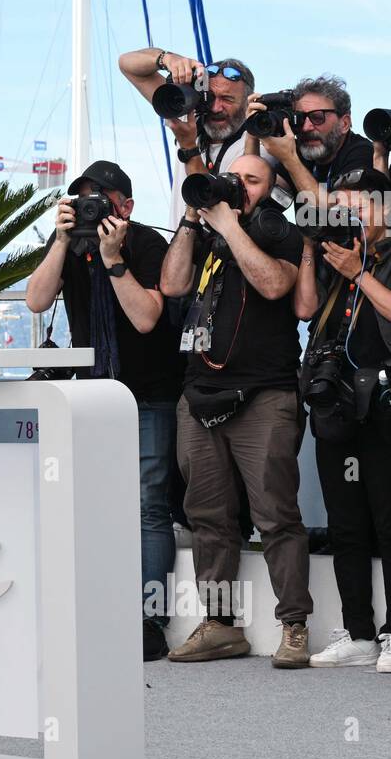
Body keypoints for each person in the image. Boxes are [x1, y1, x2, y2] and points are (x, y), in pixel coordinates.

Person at [159, 152, 313, 667]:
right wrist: (192, 217)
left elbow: (274, 284)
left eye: (251, 180)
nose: (238, 186)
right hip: (199, 394)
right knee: (208, 517)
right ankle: (221, 626)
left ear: (270, 190)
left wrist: (231, 223)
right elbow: (174, 285)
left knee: (277, 516)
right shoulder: (205, 235)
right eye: (234, 178)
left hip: (264, 394)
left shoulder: (278, 231)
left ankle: (293, 625)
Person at [25, 160, 183, 661]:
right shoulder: (72, 246)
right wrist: (59, 240)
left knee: (147, 506)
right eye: (83, 199)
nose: (93, 207)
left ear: (127, 206)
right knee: (91, 503)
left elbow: (146, 318)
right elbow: (35, 300)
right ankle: (98, 609)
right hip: (90, 396)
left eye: (102, 198)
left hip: (147, 392)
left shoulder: (148, 244)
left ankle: (149, 621)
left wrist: (115, 261)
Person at [293, 166, 391, 672]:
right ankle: (359, 633)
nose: (348, 216)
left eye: (359, 206)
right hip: (337, 408)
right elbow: (305, 310)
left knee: (387, 521)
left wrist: (360, 273)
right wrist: (313, 247)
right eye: (340, 207)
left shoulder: (378, 259)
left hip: (383, 407)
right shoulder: (339, 253)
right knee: (345, 524)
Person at [117, 47, 262, 226]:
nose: (216, 108)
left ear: (247, 102)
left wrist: (188, 147)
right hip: (179, 247)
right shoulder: (190, 118)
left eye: (227, 99)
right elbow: (127, 64)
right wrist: (168, 59)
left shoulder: (256, 143)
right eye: (210, 97)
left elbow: (210, 204)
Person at [248, 74, 375, 213]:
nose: (306, 127)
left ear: (344, 124)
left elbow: (339, 215)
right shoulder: (297, 150)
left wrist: (289, 160)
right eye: (301, 118)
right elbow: (253, 195)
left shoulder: (362, 151)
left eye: (317, 117)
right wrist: (252, 131)